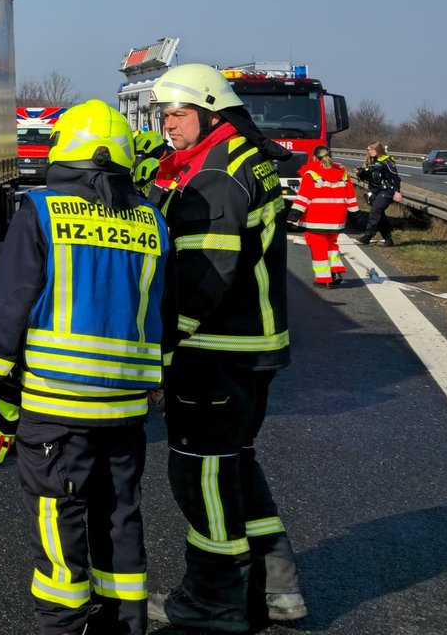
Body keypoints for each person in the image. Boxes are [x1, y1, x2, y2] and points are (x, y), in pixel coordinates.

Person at [0, 100, 170, 635]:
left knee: (59, 517)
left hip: (56, 407)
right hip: (125, 408)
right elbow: (160, 308)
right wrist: (158, 379)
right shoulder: (152, 219)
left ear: (63, 153)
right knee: (119, 513)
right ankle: (123, 624)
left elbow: (11, 304)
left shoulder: (41, 211)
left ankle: (61, 627)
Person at [143, 63, 303, 630]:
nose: (168, 125)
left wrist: (162, 353)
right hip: (248, 346)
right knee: (235, 464)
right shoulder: (238, 158)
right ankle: (275, 589)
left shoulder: (214, 174)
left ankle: (215, 598)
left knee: (201, 473)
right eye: (164, 115)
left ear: (211, 112)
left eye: (179, 114)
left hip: (214, 349)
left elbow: (202, 275)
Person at [292, 146, 354, 286]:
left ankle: (324, 279)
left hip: (316, 219)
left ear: (314, 158)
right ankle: (335, 272)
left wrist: (293, 215)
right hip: (337, 219)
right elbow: (351, 198)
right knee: (331, 245)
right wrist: (356, 216)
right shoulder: (343, 175)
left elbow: (303, 198)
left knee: (318, 248)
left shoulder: (311, 175)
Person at [353, 142, 401, 246]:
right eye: (368, 150)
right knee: (379, 215)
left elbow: (395, 177)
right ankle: (388, 240)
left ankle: (368, 236)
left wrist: (397, 191)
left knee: (375, 211)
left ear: (377, 149)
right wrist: (361, 173)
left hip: (386, 190)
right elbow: (370, 177)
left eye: (371, 149)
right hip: (375, 191)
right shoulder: (371, 162)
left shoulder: (386, 160)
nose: (369, 152)